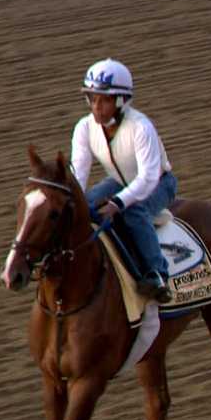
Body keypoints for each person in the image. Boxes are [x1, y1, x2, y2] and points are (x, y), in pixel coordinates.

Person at [70, 58, 177, 304]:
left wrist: (119, 202)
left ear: (120, 101)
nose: (97, 107)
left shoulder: (140, 127)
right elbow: (79, 173)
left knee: (133, 210)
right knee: (83, 207)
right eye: (93, 99)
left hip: (159, 183)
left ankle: (156, 273)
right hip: (119, 181)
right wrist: (73, 199)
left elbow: (149, 178)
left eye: (104, 100)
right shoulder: (84, 128)